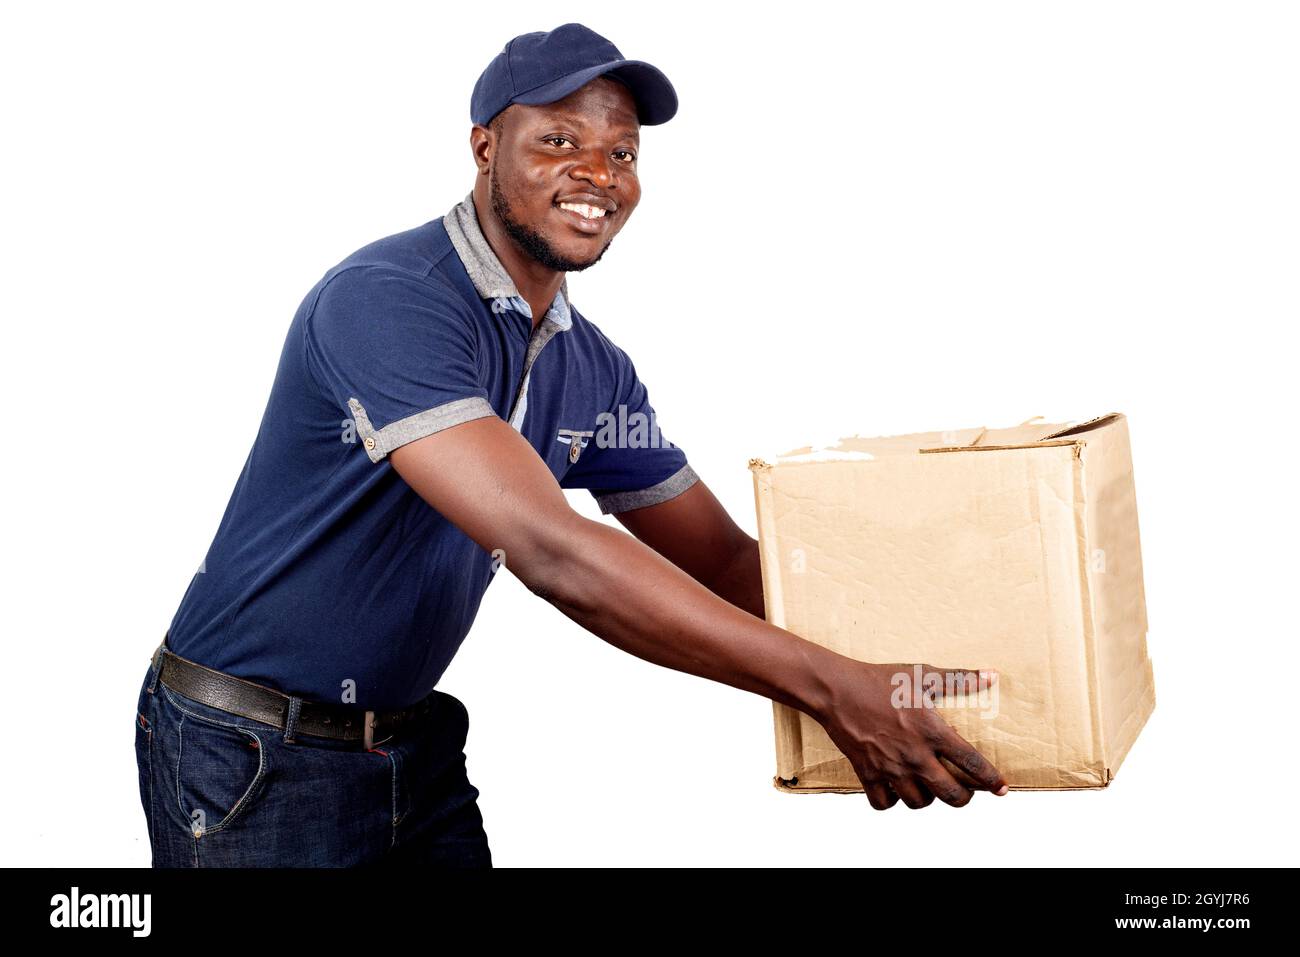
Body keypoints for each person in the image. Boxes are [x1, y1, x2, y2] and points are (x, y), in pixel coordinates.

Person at [133, 21, 1008, 869]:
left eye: (622, 153)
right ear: (484, 148)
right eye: (557, 140)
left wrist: (955, 658)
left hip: (411, 744)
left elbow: (730, 564)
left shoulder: (591, 370)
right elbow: (556, 553)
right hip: (252, 749)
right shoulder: (387, 299)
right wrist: (829, 687)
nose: (596, 174)